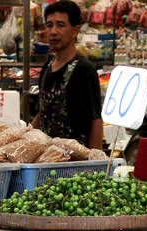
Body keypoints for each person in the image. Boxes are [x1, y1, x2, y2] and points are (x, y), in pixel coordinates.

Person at [31, 0, 103, 150]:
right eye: (49, 25)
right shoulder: (47, 67)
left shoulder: (84, 69)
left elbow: (95, 118)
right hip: (47, 157)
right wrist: (25, 136)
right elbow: (43, 112)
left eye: (61, 25)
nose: (54, 31)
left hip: (75, 160)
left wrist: (96, 162)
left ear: (75, 30)